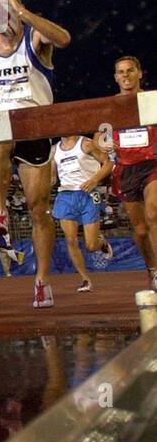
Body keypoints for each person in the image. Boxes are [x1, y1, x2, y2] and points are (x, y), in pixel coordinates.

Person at [0, 0, 70, 308]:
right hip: (2, 125)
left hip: (35, 127)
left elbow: (63, 39)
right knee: (0, 141)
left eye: (8, 8)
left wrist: (25, 13)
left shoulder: (35, 36)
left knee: (39, 210)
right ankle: (0, 214)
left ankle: (42, 279)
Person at [106, 55, 157, 291]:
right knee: (139, 229)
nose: (125, 75)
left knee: (154, 213)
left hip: (151, 163)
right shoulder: (109, 105)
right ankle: (152, 269)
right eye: (121, 72)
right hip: (126, 170)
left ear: (140, 73)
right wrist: (103, 144)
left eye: (130, 70)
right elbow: (98, 136)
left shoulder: (151, 99)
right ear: (116, 77)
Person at [50, 134, 113, 293]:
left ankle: (101, 243)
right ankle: (85, 279)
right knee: (71, 240)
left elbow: (108, 163)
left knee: (91, 246)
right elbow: (52, 176)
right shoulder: (54, 150)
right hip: (66, 196)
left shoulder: (86, 144)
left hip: (88, 194)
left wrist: (94, 180)